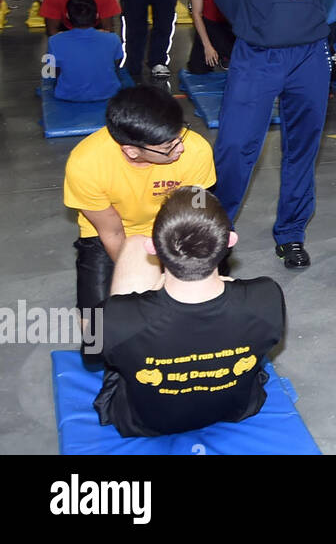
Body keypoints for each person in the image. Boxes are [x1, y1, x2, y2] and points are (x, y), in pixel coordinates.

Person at [211, 0, 336, 271]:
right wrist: (255, 27)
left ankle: (290, 234)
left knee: (302, 148)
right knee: (234, 147)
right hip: (257, 54)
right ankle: (215, 236)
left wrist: (303, 25)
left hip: (309, 56)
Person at [93, 187, 284, 437]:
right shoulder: (266, 295)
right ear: (230, 241)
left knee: (133, 244)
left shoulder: (113, 315)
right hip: (237, 408)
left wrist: (145, 299)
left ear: (154, 248)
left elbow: (93, 358)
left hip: (144, 421)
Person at [63, 86, 217, 325]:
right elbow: (111, 232)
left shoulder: (196, 151)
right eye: (168, 147)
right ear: (132, 151)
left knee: (198, 315)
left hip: (173, 228)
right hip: (111, 235)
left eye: (179, 135)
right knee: (95, 342)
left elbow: (194, 218)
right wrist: (139, 276)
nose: (180, 148)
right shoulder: (85, 164)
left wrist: (175, 274)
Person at [47, 0, 121, 102]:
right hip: (108, 92)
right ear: (97, 16)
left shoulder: (54, 41)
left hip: (68, 94)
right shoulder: (113, 38)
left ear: (68, 16)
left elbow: (54, 71)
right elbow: (115, 64)